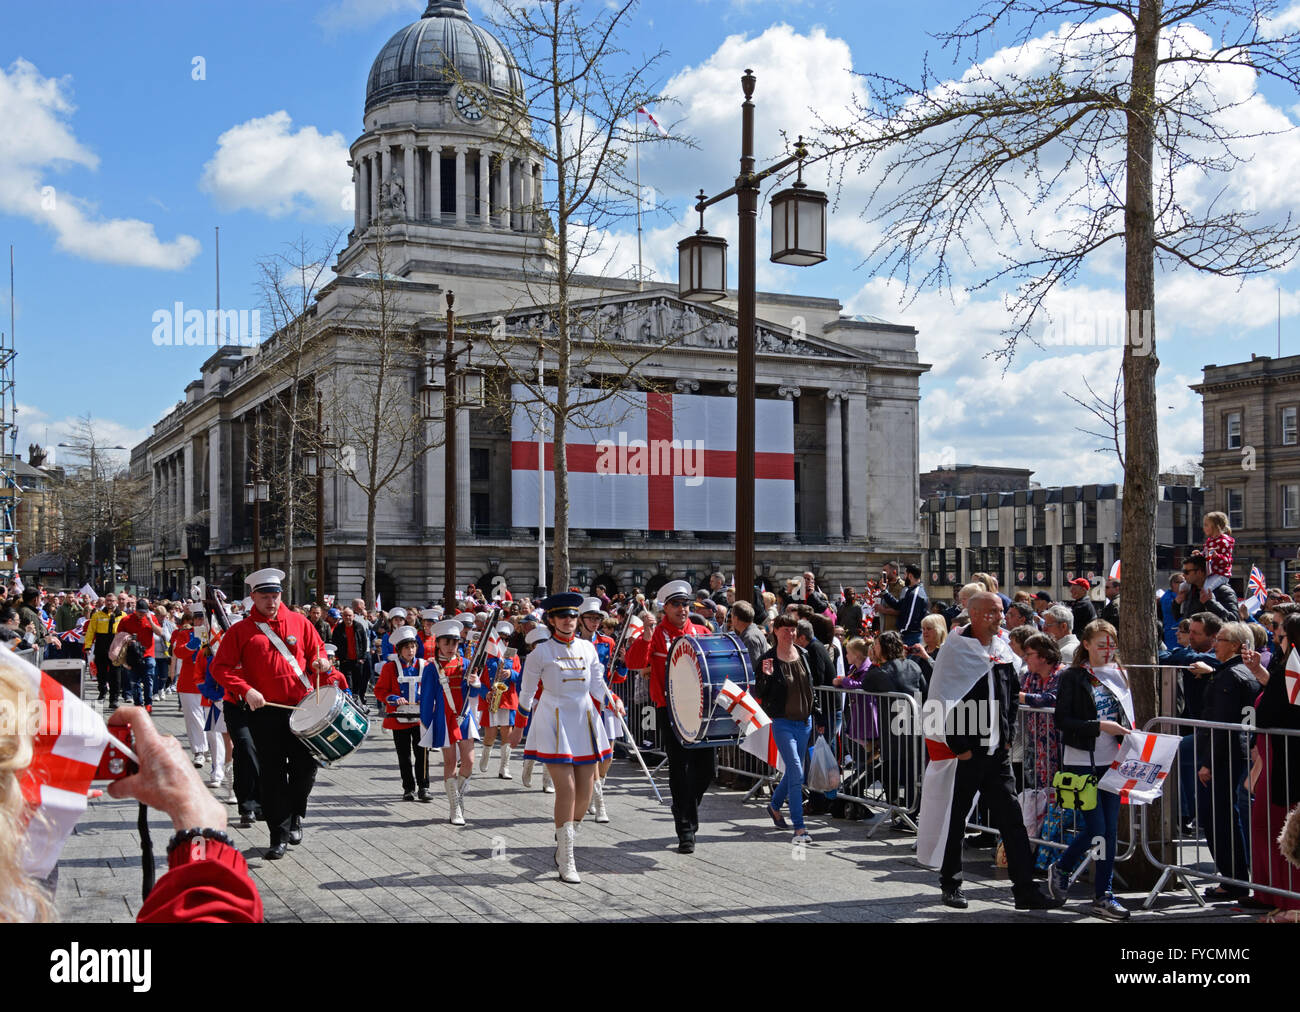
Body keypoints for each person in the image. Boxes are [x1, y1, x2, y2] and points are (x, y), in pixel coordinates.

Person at [916, 592, 1062, 911]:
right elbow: (941, 699)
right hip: (967, 753)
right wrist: (961, 747)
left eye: (1001, 611)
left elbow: (1010, 692)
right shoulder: (955, 649)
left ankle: (1024, 890)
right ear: (976, 614)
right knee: (956, 820)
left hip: (998, 753)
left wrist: (1008, 735)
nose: (1000, 617)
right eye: (994, 612)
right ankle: (951, 884)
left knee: (1012, 820)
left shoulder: (1001, 648)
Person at [210, 568, 343, 860]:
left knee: (306, 769)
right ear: (253, 597)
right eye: (265, 597)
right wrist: (245, 690)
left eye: (275, 596)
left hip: (302, 709)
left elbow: (317, 653)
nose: (271, 602)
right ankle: (277, 834)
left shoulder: (300, 622)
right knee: (271, 775)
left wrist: (321, 663)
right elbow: (219, 668)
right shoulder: (240, 631)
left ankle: (295, 813)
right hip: (264, 712)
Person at [516, 593, 619, 883]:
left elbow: (597, 685)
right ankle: (566, 856)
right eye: (562, 616)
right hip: (554, 720)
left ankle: (564, 840)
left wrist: (613, 701)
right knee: (568, 789)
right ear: (551, 620)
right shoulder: (540, 653)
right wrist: (518, 727)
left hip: (584, 720)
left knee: (586, 793)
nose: (568, 621)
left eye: (573, 616)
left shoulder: (588, 648)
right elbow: (526, 692)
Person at [1048, 620, 1133, 920]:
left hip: (1114, 762)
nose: (1108, 651)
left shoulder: (1120, 674)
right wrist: (1100, 726)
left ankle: (1103, 895)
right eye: (1101, 644)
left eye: (1112, 644)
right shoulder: (1073, 676)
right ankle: (1064, 866)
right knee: (1097, 828)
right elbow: (1063, 720)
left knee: (1107, 832)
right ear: (1086, 644)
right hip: (1082, 762)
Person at [624, 579, 713, 854]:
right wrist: (647, 634)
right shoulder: (656, 634)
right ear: (665, 609)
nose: (682, 609)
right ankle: (685, 830)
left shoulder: (700, 631)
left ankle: (684, 808)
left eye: (686, 604)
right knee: (680, 769)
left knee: (707, 769)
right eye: (676, 605)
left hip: (700, 711)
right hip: (670, 710)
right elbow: (634, 663)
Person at [1190, 620, 1260, 899]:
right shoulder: (1239, 672)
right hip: (1237, 753)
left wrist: (1207, 762)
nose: (1214, 643)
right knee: (1227, 817)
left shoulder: (1230, 677)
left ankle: (1232, 880)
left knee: (1218, 819)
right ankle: (1235, 878)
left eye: (1220, 639)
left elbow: (1220, 722)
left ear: (1234, 645)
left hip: (1223, 756)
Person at [418, 618, 486, 826]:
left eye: (454, 643)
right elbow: (427, 698)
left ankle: (459, 795)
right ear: (438, 643)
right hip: (444, 718)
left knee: (470, 760)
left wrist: (476, 683)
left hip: (464, 717)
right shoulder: (431, 668)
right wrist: (427, 725)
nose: (450, 647)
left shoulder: (466, 664)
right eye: (446, 642)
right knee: (449, 763)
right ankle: (454, 806)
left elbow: (477, 692)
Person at [754, 613, 815, 842]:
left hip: (804, 721)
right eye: (786, 629)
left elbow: (810, 685)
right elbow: (760, 692)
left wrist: (814, 710)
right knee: (797, 772)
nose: (790, 633)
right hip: (782, 722)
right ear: (775, 631)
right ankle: (799, 827)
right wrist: (767, 678)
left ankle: (775, 806)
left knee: (792, 771)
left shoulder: (804, 654)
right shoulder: (768, 659)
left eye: (793, 629)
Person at [862, 630, 927, 813]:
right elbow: (925, 689)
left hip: (893, 731)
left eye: (875, 645)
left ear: (883, 647)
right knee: (913, 773)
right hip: (915, 726)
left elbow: (867, 684)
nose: (872, 648)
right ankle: (910, 813)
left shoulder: (880, 671)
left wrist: (873, 662)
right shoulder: (913, 666)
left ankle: (902, 812)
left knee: (894, 771)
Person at [375, 625, 432, 802]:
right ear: (399, 650)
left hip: (419, 719)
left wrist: (427, 699)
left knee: (422, 753)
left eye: (413, 647)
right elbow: (380, 691)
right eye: (406, 647)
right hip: (398, 718)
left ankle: (424, 787)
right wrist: (393, 698)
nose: (410, 650)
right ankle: (408, 788)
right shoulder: (389, 668)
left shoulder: (425, 665)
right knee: (404, 755)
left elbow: (432, 688)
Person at [577, 599, 620, 822]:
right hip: (585, 703)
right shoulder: (573, 644)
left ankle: (596, 789)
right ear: (581, 620)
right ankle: (600, 802)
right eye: (591, 618)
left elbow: (617, 676)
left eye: (598, 619)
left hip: (606, 700)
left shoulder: (608, 642)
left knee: (608, 754)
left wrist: (621, 663)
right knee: (594, 754)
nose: (595, 623)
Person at [477, 621, 521, 781]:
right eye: (501, 639)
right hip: (491, 699)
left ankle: (504, 767)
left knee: (506, 733)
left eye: (507, 639)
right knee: (490, 733)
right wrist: (485, 693)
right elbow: (477, 679)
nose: (504, 642)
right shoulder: (485, 656)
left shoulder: (513, 656)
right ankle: (485, 755)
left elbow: (520, 677)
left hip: (507, 699)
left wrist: (511, 673)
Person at [117, 599, 163, 710]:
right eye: (139, 612)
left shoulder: (151, 618)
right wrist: (128, 639)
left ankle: (148, 703)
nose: (141, 614)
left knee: (148, 679)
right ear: (135, 610)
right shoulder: (126, 620)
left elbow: (159, 632)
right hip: (132, 655)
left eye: (144, 612)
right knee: (135, 681)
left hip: (148, 654)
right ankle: (138, 704)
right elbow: (118, 635)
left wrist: (151, 622)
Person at [330, 606, 371, 710]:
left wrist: (362, 657)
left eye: (349, 615)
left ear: (353, 616)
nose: (348, 618)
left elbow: (364, 642)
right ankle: (350, 698)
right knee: (348, 680)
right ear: (342, 617)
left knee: (359, 679)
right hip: (345, 660)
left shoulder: (359, 626)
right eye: (345, 615)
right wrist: (339, 657)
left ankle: (357, 698)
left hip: (358, 659)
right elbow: (335, 643)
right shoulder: (339, 628)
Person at [880, 564, 928, 646]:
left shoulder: (915, 594)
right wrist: (884, 591)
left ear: (910, 576)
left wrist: (902, 631)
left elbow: (910, 618)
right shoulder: (910, 590)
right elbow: (898, 605)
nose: (904, 577)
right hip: (907, 635)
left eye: (905, 574)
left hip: (911, 637)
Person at [1200, 511, 1235, 594]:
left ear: (1216, 526)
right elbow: (1206, 556)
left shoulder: (1224, 541)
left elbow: (1228, 561)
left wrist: (1217, 556)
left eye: (1206, 525)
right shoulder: (1209, 541)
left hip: (1221, 574)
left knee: (1206, 590)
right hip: (1211, 573)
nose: (1204, 528)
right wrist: (1199, 554)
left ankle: (1210, 605)